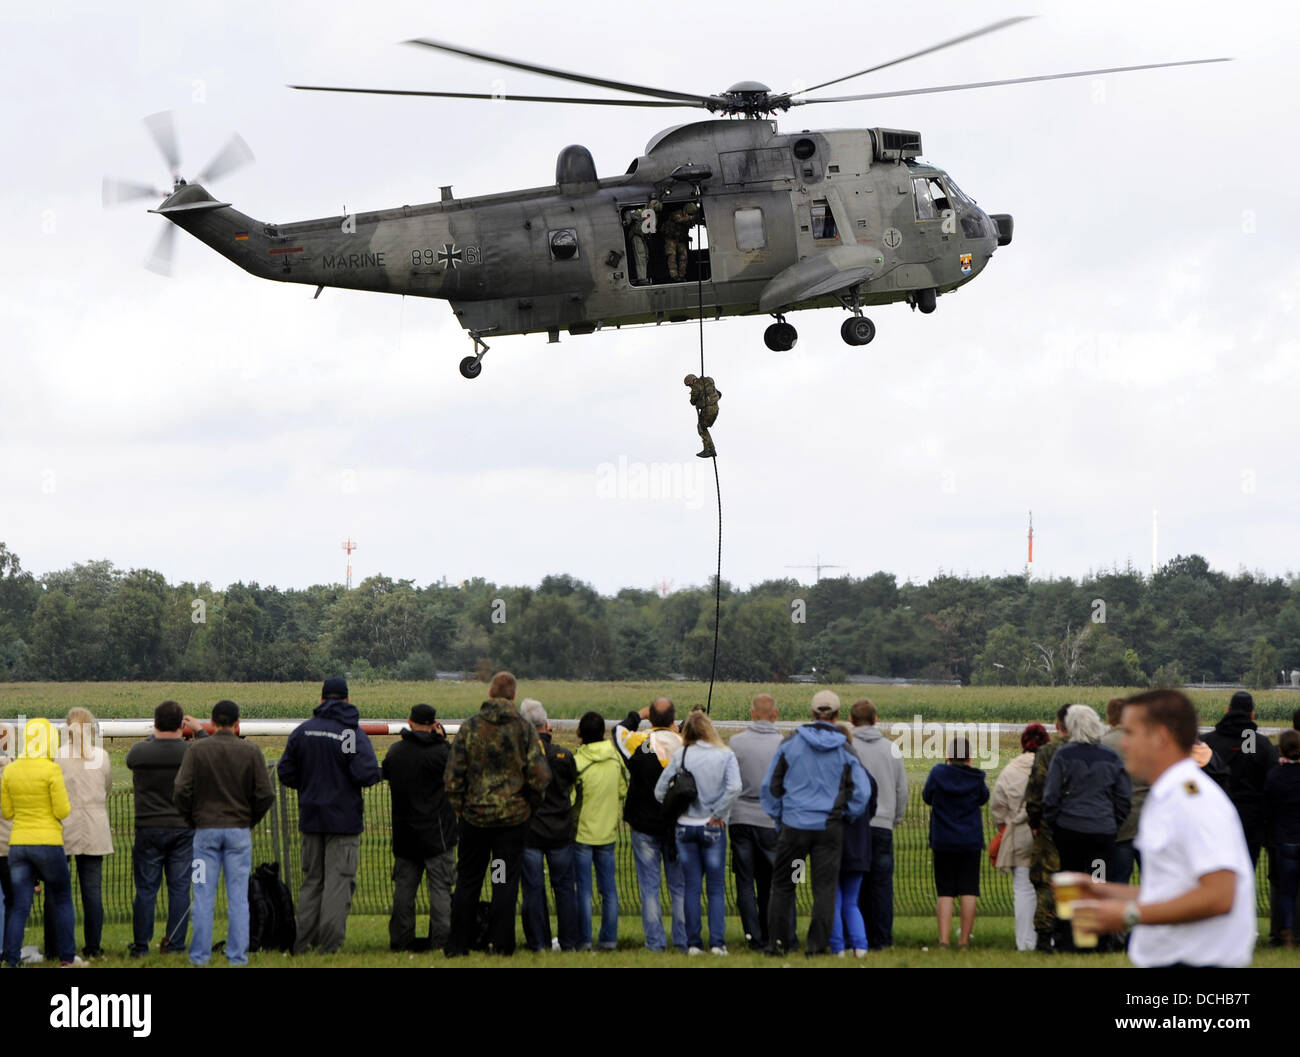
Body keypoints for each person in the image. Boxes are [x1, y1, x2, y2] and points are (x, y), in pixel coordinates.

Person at [1073, 690, 1257, 967]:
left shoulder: (1191, 800)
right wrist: (1102, 892)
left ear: (1160, 737)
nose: (1123, 744)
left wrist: (1128, 915)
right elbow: (1171, 894)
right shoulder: (1168, 796)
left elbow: (1220, 896)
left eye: (1131, 733)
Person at [444, 671, 552, 958]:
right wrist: (529, 806)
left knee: (468, 880)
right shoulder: (524, 729)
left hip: (474, 820)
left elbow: (453, 774)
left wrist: (460, 806)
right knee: (503, 880)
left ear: (490, 693)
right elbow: (540, 776)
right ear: (513, 695)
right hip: (511, 822)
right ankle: (502, 944)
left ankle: (458, 945)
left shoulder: (471, 728)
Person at [761, 690, 872, 957]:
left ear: (812, 713)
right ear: (837, 716)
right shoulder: (845, 748)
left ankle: (778, 944)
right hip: (828, 828)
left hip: (794, 826)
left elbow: (770, 787)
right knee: (824, 888)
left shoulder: (790, 744)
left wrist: (779, 816)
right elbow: (862, 792)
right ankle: (817, 947)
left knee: (785, 884)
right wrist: (846, 814)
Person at [277, 676, 382, 955]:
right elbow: (367, 773)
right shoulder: (351, 733)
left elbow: (285, 772)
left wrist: (310, 785)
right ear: (347, 699)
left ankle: (302, 943)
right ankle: (329, 945)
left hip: (311, 816)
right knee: (339, 881)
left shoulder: (304, 731)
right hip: (344, 820)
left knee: (312, 881)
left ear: (322, 699)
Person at [174, 700, 275, 966]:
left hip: (204, 832)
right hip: (239, 832)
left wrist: (192, 818)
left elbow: (181, 790)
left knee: (203, 896)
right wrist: (248, 820)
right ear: (237, 722)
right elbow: (265, 794)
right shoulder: (251, 752)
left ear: (212, 721)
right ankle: (237, 956)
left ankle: (199, 957)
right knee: (238, 899)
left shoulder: (196, 751)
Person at [654, 710, 742, 955]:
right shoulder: (725, 755)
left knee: (691, 887)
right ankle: (717, 943)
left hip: (685, 826)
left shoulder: (681, 755)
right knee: (715, 888)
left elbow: (660, 791)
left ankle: (693, 944)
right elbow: (735, 787)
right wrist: (719, 814)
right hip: (713, 826)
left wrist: (676, 811)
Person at [125, 701, 207, 958]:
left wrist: (154, 735)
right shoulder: (191, 751)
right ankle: (174, 945)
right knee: (180, 888)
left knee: (146, 889)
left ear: (155, 722)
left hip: (148, 827)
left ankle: (141, 946)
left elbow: (135, 755)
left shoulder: (139, 752)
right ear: (181, 724)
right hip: (183, 827)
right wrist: (199, 731)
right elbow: (208, 751)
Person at [1203, 689, 1280, 945]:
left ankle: (1213, 926)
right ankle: (1244, 929)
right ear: (1253, 713)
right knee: (1246, 871)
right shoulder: (1260, 744)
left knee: (1213, 873)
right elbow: (1270, 784)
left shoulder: (1209, 742)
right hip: (1251, 819)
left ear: (1227, 711)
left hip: (1214, 818)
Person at [381, 703, 458, 952]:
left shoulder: (396, 752)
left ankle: (400, 941)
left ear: (410, 721)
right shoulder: (441, 753)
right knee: (440, 891)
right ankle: (441, 941)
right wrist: (444, 742)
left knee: (404, 892)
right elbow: (459, 769)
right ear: (434, 724)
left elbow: (387, 772)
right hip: (438, 834)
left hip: (405, 833)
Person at [1, 718, 77, 967]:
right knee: (62, 898)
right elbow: (63, 810)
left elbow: (8, 812)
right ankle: (66, 958)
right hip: (48, 842)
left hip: (18, 844)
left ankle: (11, 959)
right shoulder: (51, 769)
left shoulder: (10, 770)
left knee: (20, 905)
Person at [614, 697, 686, 953]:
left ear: (651, 718)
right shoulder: (684, 745)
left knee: (649, 887)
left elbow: (618, 732)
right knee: (679, 887)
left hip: (643, 823)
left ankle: (655, 943)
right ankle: (682, 941)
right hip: (677, 824)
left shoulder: (639, 743)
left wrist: (637, 713)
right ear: (673, 719)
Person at [518, 698, 580, 953]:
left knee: (532, 889)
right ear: (547, 724)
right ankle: (570, 942)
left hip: (531, 831)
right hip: (560, 830)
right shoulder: (564, 756)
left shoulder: (522, 758)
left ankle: (538, 942)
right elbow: (571, 785)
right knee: (565, 889)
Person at [52, 707, 112, 960]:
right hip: (94, 825)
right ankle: (93, 946)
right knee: (92, 892)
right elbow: (107, 788)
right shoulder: (101, 755)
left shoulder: (58, 756)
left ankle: (57, 946)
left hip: (63, 825)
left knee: (58, 890)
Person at [849, 698, 908, 950]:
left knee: (855, 884)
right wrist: (895, 817)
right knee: (882, 885)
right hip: (883, 824)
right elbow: (902, 789)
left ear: (851, 720)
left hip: (854, 825)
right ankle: (882, 939)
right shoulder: (892, 748)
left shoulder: (847, 747)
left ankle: (858, 937)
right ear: (876, 720)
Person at [727, 693, 785, 950]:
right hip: (770, 819)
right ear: (776, 714)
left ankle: (753, 936)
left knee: (744, 880)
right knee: (771, 881)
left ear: (751, 714)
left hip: (740, 816)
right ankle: (771, 931)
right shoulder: (783, 745)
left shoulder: (736, 743)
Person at [922, 737, 990, 949]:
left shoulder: (937, 773)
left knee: (945, 891)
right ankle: (963, 941)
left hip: (943, 840)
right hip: (969, 840)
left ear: (948, 756)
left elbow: (927, 796)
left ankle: (943, 940)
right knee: (969, 889)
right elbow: (983, 798)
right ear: (969, 757)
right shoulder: (977, 777)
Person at [991, 723, 1050, 951]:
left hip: (1018, 836)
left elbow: (998, 807)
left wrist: (1006, 825)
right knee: (1047, 888)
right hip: (1045, 834)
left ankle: (1025, 942)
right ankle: (1048, 937)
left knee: (1023, 890)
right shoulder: (1052, 766)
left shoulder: (1010, 770)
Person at [571, 711, 627, 951]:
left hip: (582, 833)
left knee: (583, 891)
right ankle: (609, 939)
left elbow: (571, 799)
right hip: (608, 833)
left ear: (580, 733)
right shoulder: (616, 759)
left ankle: (584, 940)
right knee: (609, 890)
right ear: (604, 731)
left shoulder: (578, 762)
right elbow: (623, 790)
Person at [1025, 703, 1071, 952]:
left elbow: (1035, 792)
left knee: (1046, 882)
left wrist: (1035, 822)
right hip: (1081, 825)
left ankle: (1044, 937)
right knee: (1078, 877)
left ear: (1057, 725)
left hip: (1049, 826)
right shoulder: (1090, 751)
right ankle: (1069, 934)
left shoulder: (1046, 752)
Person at [830, 721, 877, 958]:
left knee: (834, 900)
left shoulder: (828, 774)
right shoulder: (864, 775)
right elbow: (872, 808)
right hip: (858, 845)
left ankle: (837, 947)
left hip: (831, 844)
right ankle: (860, 946)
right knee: (851, 901)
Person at [1101, 696, 1148, 885]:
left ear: (1108, 717)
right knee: (1156, 887)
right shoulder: (1146, 743)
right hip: (1146, 821)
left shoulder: (1101, 745)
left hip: (1118, 826)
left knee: (1118, 883)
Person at [1264, 729, 1300, 948]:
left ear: (1280, 749)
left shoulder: (1275, 775)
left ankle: (1286, 932)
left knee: (1286, 891)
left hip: (1284, 840)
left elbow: (1268, 810)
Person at [684, 373, 721, 459]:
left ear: (692, 381)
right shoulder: (709, 380)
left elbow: (692, 401)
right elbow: (718, 393)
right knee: (703, 426)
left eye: (689, 385)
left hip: (707, 410)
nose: (690, 387)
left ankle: (709, 449)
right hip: (715, 408)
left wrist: (696, 398)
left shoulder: (696, 387)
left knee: (701, 427)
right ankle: (710, 449)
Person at [661, 200, 699, 280]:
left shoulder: (688, 218)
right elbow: (678, 220)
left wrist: (692, 219)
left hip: (680, 239)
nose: (689, 215)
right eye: (688, 213)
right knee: (672, 256)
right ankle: (674, 276)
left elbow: (692, 224)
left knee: (683, 256)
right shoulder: (677, 213)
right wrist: (689, 218)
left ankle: (682, 275)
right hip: (670, 238)